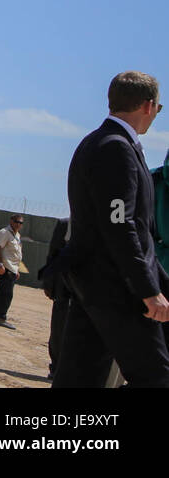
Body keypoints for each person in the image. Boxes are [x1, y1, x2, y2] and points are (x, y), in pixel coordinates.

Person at [53, 71, 169, 388]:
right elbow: (120, 225)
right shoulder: (116, 148)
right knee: (156, 378)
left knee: (79, 377)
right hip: (117, 288)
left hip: (94, 284)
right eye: (159, 109)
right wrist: (148, 290)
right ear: (148, 106)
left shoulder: (98, 142)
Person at [40, 217, 72, 380]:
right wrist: (49, 283)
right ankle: (56, 367)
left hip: (88, 288)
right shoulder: (65, 224)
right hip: (64, 287)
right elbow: (53, 254)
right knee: (59, 327)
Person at [0, 214, 24, 328]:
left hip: (13, 269)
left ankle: (1, 317)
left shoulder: (17, 235)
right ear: (11, 221)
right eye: (16, 221)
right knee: (4, 293)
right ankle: (0, 317)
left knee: (8, 294)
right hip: (6, 268)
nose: (18, 224)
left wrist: (17, 269)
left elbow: (16, 254)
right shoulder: (5, 232)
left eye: (20, 223)